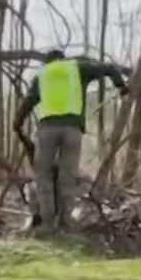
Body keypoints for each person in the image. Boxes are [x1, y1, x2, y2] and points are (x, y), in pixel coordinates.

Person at [14, 49, 128, 232]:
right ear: (62, 58)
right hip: (72, 130)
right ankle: (66, 222)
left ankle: (48, 223)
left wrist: (17, 123)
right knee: (68, 177)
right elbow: (108, 68)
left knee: (43, 177)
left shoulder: (42, 75)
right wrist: (121, 86)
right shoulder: (77, 68)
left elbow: (29, 101)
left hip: (47, 129)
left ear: (48, 62)